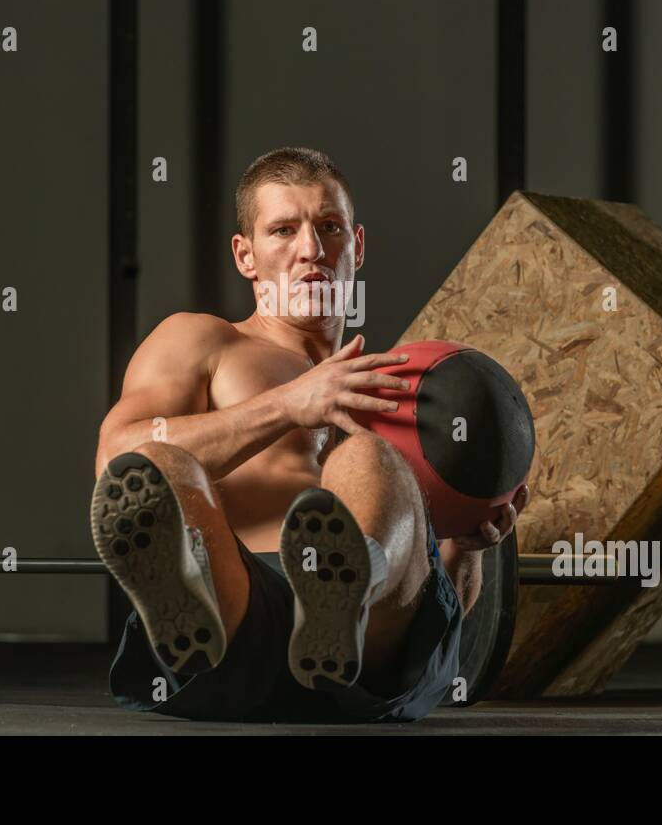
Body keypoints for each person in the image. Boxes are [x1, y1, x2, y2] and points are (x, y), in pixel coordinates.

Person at [90, 146, 520, 722]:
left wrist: (466, 548)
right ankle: (199, 605)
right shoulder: (202, 343)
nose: (311, 250)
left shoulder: (408, 390)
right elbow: (117, 457)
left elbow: (448, 608)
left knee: (367, 455)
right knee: (159, 468)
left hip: (372, 645)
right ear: (245, 255)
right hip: (242, 613)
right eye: (283, 230)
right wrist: (290, 404)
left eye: (329, 227)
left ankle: (345, 590)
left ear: (357, 246)